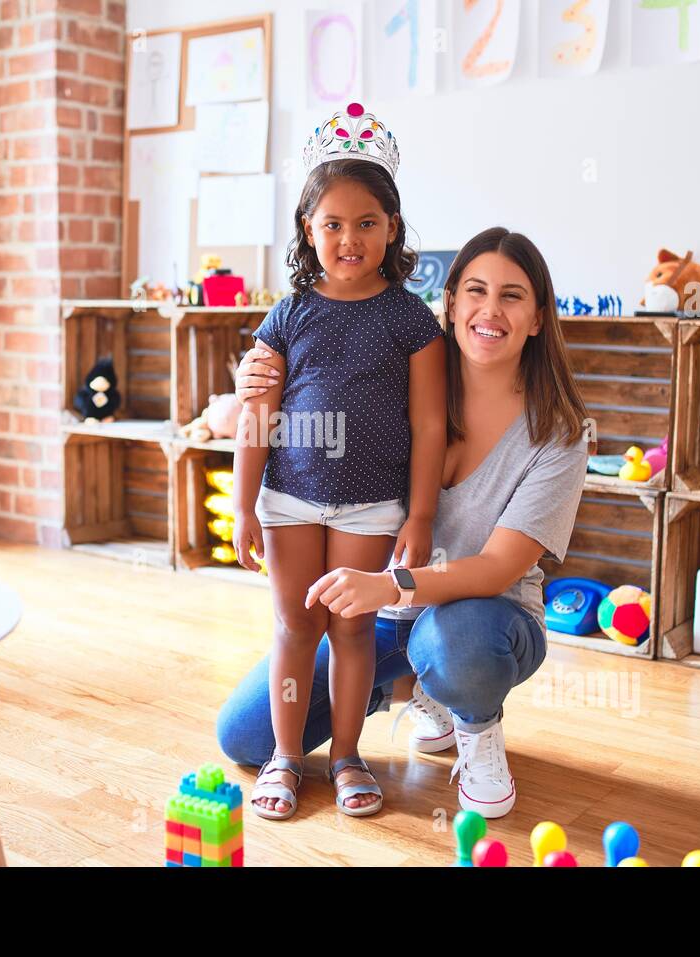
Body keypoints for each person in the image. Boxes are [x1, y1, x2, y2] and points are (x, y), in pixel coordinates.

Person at [220, 227, 589, 819]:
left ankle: (474, 719)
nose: (490, 310)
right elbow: (305, 397)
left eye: (512, 296)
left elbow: (497, 568)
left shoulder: (560, 435)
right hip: (383, 619)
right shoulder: (401, 371)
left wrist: (388, 585)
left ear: (539, 318)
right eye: (475, 291)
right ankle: (412, 690)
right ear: (450, 302)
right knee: (244, 738)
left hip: (485, 618)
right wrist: (251, 384)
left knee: (456, 642)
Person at [233, 102, 446, 820]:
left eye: (366, 223)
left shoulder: (411, 318)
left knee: (352, 628)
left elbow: (429, 421)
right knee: (295, 628)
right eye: (332, 223)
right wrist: (240, 504)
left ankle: (348, 752)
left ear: (392, 228)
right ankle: (287, 756)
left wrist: (419, 514)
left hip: (371, 503)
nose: (349, 238)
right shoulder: (286, 314)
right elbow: (257, 414)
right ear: (307, 229)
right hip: (289, 497)